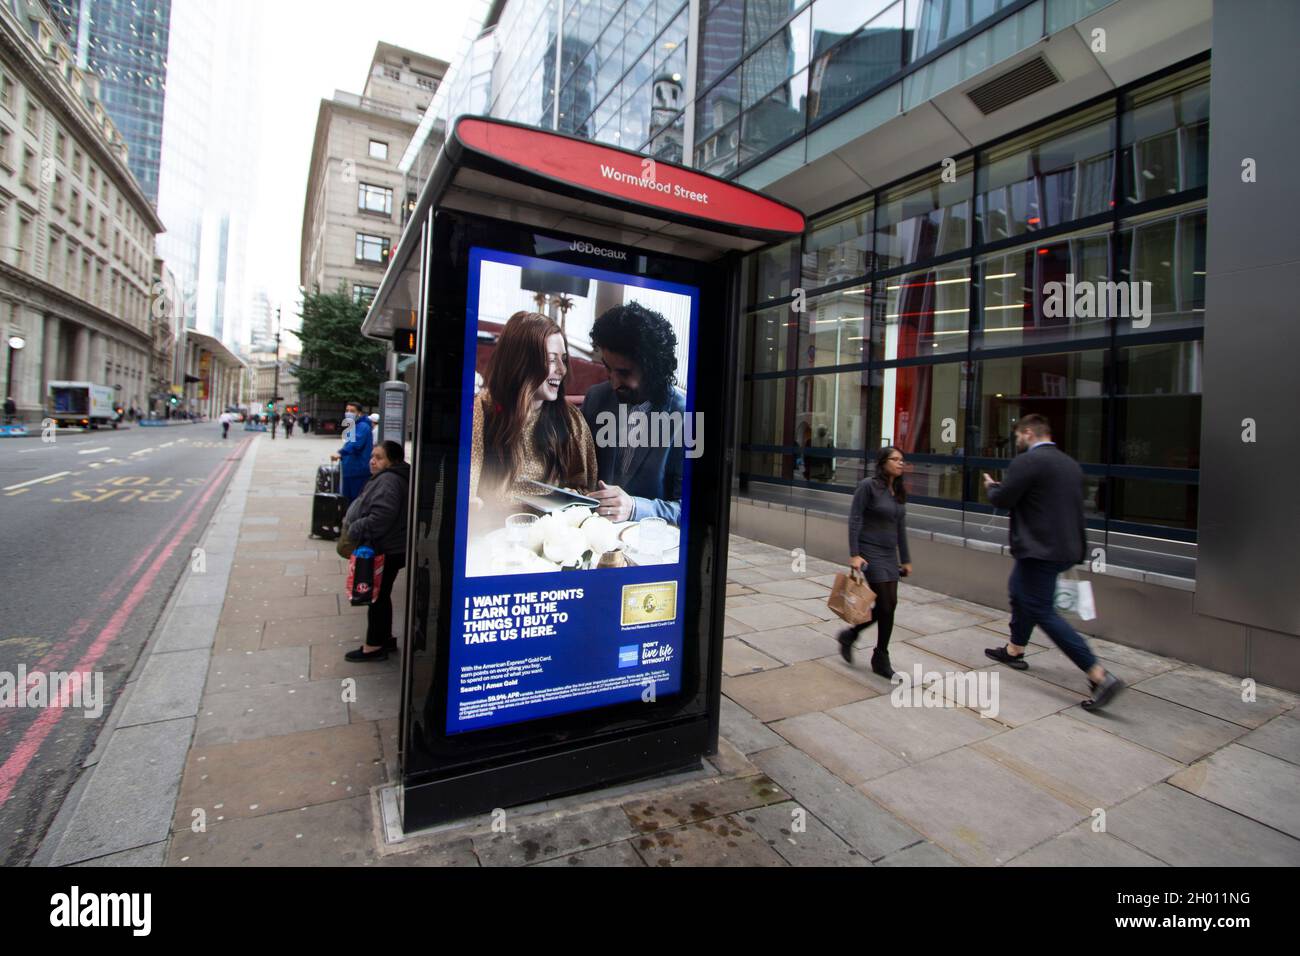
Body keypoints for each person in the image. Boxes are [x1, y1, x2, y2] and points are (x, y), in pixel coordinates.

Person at [982, 413, 1124, 711]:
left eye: (1018, 435)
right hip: (1065, 547)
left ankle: (1098, 674)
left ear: (1029, 433)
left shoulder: (1028, 462)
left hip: (1039, 550)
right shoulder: (1069, 464)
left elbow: (1004, 499)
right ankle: (1015, 649)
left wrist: (991, 487)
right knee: (1018, 590)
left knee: (1041, 609)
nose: (1017, 440)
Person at [470, 311, 598, 512]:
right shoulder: (481, 412)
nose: (562, 369)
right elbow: (468, 493)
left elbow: (586, 491)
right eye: (552, 360)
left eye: (563, 359)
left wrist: (573, 496)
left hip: (551, 528)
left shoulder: (571, 419)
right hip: (495, 527)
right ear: (521, 362)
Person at [581, 302, 685, 524]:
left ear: (652, 369)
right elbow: (579, 472)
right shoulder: (595, 399)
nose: (613, 383)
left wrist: (635, 508)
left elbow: (686, 509)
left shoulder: (686, 417)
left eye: (624, 373)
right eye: (608, 368)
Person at [838, 446, 912, 678]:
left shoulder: (897, 490)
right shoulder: (868, 486)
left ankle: (853, 637)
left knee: (888, 605)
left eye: (902, 460)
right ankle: (880, 656)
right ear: (882, 463)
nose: (900, 463)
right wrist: (854, 554)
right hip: (869, 551)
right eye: (895, 459)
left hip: (889, 554)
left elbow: (900, 527)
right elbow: (855, 519)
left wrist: (906, 559)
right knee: (886, 604)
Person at [342, 440, 411, 662]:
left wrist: (355, 528)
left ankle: (374, 646)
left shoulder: (389, 480)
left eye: (379, 457)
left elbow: (381, 517)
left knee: (377, 597)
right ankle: (384, 639)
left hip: (386, 547)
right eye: (372, 456)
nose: (372, 461)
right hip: (392, 546)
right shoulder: (391, 477)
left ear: (393, 460)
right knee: (382, 595)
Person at [332, 401, 373, 503]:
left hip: (357, 471)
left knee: (354, 501)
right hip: (349, 470)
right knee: (346, 500)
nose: (348, 413)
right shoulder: (353, 426)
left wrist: (340, 453)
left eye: (352, 411)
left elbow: (355, 444)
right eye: (347, 410)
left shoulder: (363, 426)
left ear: (359, 413)